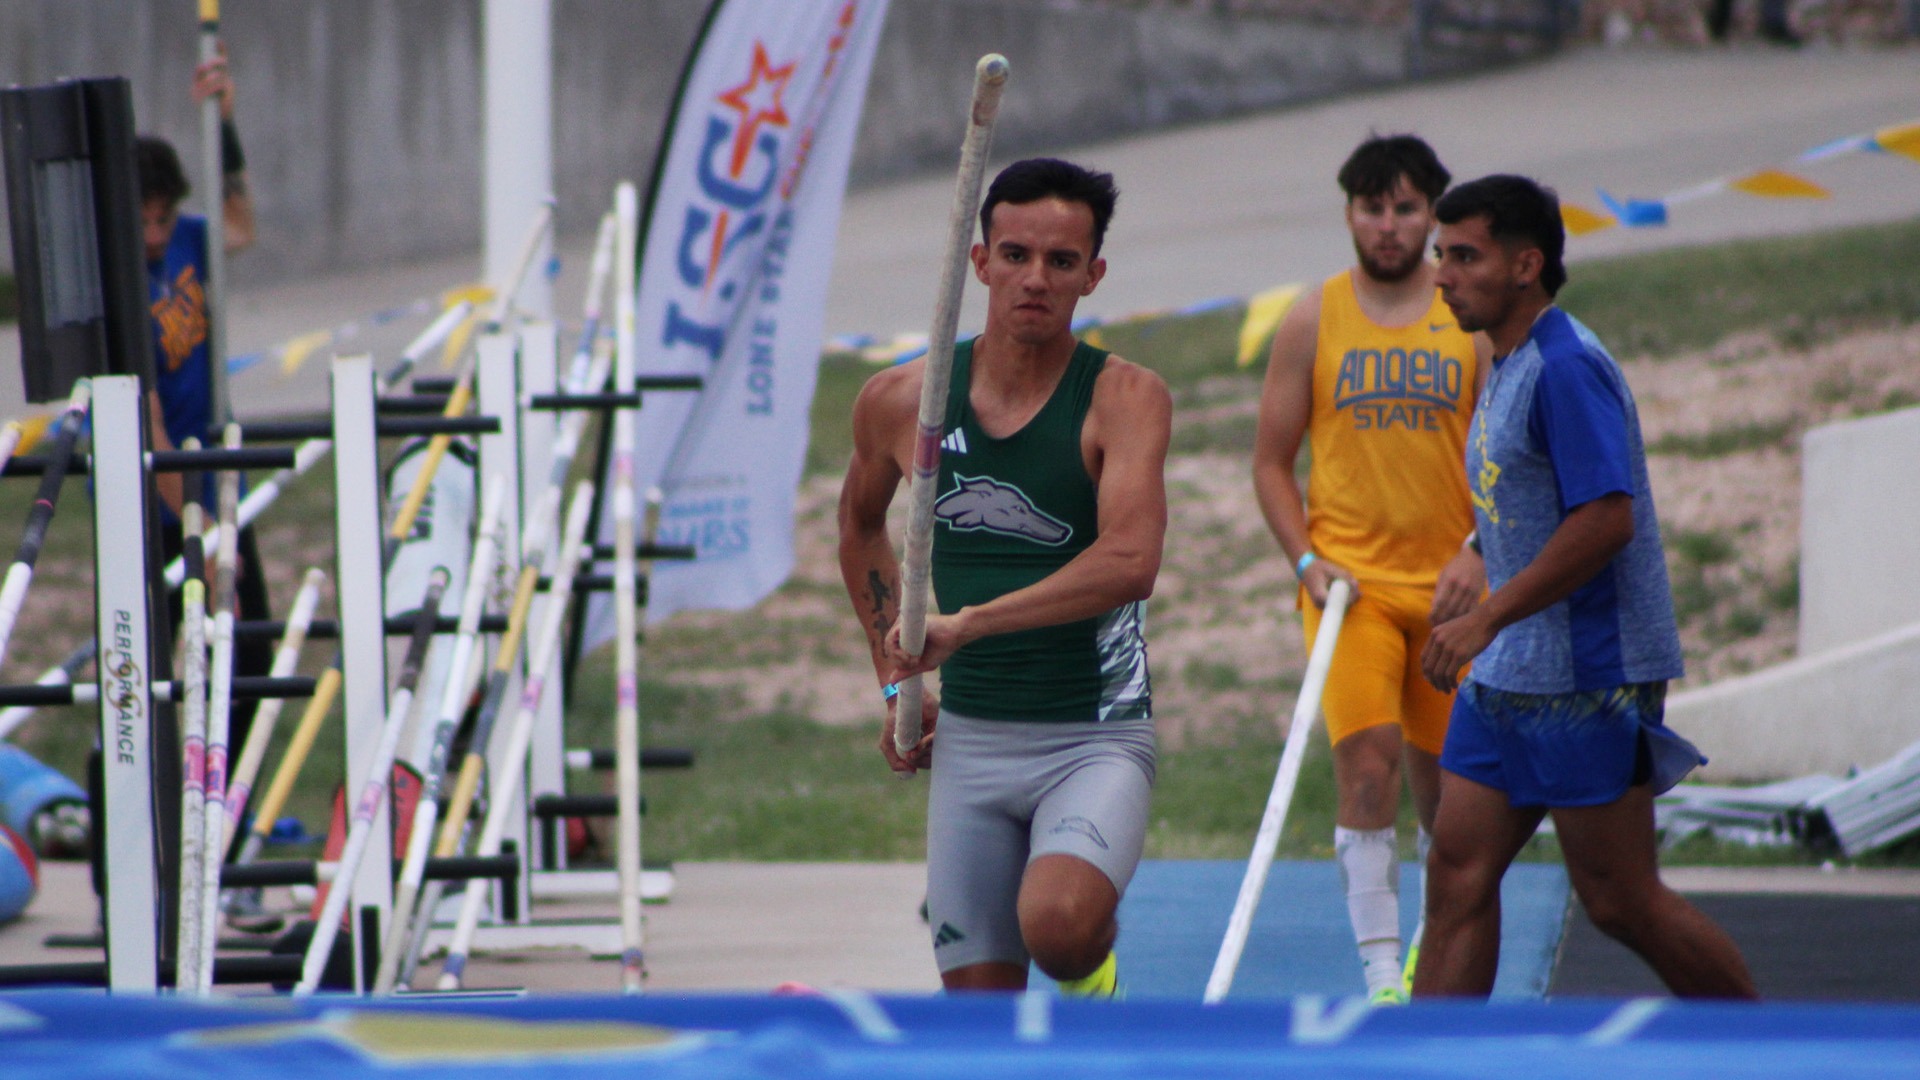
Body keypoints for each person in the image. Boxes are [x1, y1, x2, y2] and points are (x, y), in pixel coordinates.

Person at [1414, 174, 1756, 999]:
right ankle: (1430, 1057)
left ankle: (1766, 1043)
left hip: (1586, 673)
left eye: (1465, 257)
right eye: (1440, 255)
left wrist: (1486, 617)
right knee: (1456, 874)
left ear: (1526, 264)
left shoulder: (1567, 366)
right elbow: (1529, 488)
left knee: (1619, 901)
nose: (1443, 276)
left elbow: (1606, 520)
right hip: (1509, 673)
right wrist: (1478, 550)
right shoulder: (1504, 357)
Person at [837, 158, 1170, 996]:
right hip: (972, 745)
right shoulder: (902, 399)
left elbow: (1131, 563)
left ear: (1093, 275)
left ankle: (1091, 969)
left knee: (1057, 928)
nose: (1036, 279)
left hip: (1094, 735)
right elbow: (859, 527)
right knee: (979, 1022)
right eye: (1016, 255)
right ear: (980, 262)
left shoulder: (1125, 398)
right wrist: (897, 685)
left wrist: (968, 625)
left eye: (1062, 261)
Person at [1250, 134, 1488, 1005]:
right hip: (1350, 593)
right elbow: (1270, 463)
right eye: (1372, 208)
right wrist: (1306, 560)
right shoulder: (1313, 316)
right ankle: (1383, 980)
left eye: (1406, 208)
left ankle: (1433, 950)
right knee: (1367, 770)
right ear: (1349, 213)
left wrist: (1479, 552)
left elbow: (1512, 457)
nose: (1389, 226)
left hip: (1454, 595)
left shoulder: (1467, 317)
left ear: (1433, 215)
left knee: (1452, 803)